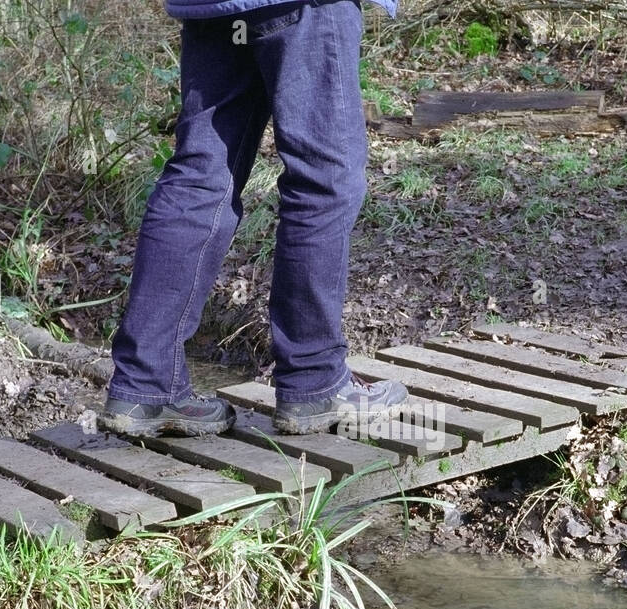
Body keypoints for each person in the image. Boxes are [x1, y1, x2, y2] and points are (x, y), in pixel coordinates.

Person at [100, 0, 407, 437]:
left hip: (214, 8)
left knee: (199, 178)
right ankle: (314, 382)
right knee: (325, 179)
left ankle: (145, 388)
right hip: (302, 8)